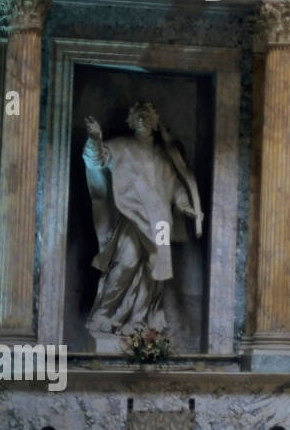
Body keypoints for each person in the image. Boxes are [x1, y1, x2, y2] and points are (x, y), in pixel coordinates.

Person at [83, 102, 203, 337]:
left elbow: (177, 186)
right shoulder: (120, 146)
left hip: (160, 222)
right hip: (132, 216)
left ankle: (139, 320)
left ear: (155, 123)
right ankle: (105, 314)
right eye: (137, 116)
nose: (142, 120)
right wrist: (95, 139)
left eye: (147, 117)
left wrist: (186, 205)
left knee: (155, 270)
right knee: (126, 262)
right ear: (130, 121)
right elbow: (95, 160)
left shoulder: (163, 155)